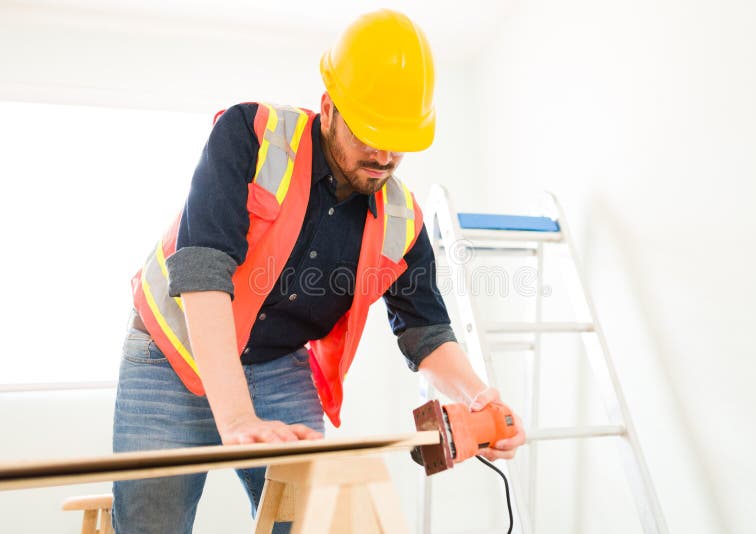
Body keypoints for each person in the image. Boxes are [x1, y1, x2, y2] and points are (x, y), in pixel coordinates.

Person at [112, 8, 526, 534]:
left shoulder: (403, 219)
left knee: (310, 519)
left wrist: (478, 395)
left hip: (277, 366)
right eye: (370, 133)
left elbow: (425, 332)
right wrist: (237, 418)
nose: (383, 154)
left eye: (397, 138)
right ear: (329, 108)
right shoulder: (254, 135)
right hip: (169, 351)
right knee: (153, 525)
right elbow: (201, 267)